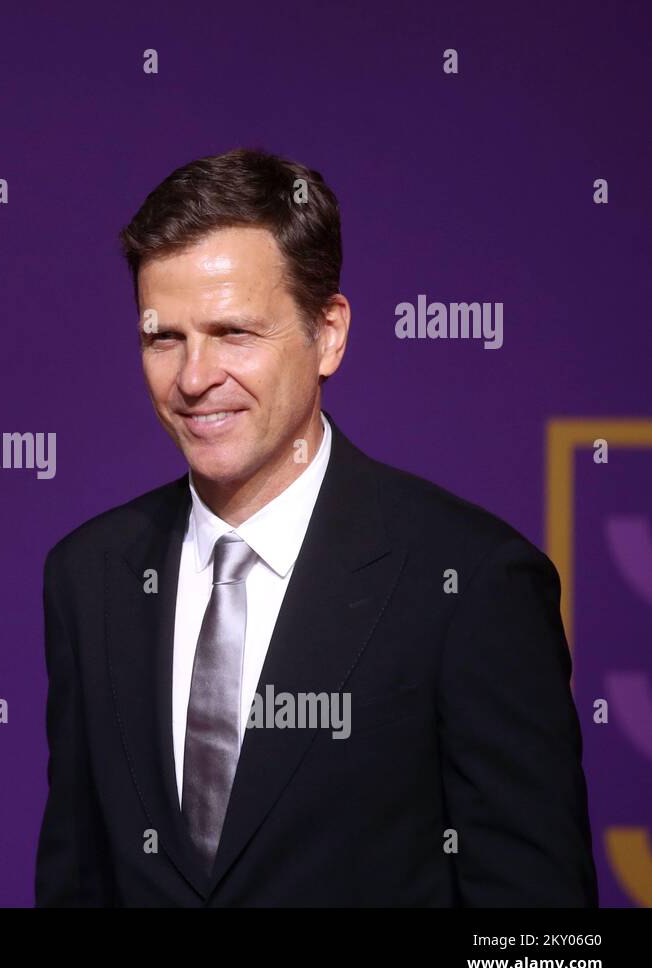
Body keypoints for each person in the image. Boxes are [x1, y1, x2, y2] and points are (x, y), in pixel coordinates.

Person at [35, 149, 598, 906]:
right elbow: (77, 885)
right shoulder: (90, 576)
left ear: (328, 333)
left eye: (234, 333)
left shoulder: (468, 583)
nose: (194, 377)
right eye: (164, 337)